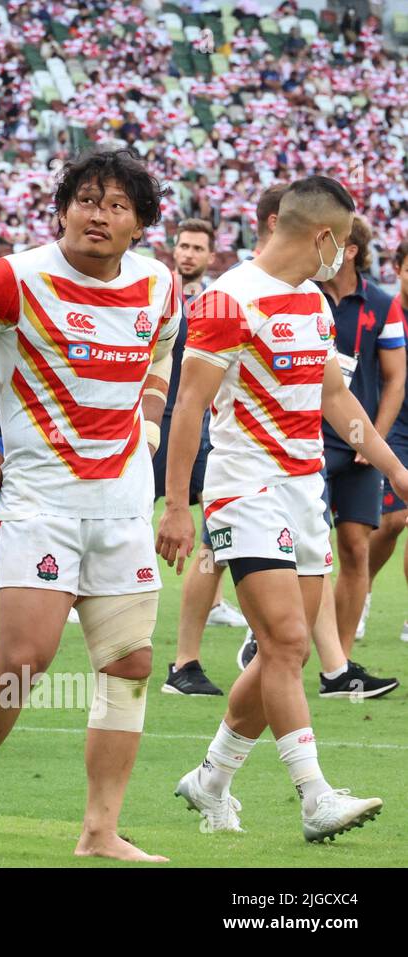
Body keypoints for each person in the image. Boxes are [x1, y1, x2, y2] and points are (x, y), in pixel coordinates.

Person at [0, 149, 180, 861]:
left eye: (118, 204)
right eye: (87, 199)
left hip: (124, 505)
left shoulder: (159, 283)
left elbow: (162, 351)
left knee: (130, 665)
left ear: (139, 223)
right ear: (62, 208)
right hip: (40, 502)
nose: (99, 214)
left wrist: (149, 423)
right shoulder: (16, 276)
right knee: (25, 657)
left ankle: (99, 830)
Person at [158, 176, 401, 842]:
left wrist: (396, 469)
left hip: (304, 496)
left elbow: (337, 402)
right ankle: (315, 796)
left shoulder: (314, 305)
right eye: (346, 241)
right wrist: (179, 505)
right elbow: (187, 408)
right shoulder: (228, 300)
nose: (348, 254)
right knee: (290, 642)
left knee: (276, 654)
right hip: (246, 492)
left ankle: (210, 778)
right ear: (325, 236)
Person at [156, 218, 247, 698]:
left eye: (197, 248)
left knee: (209, 525)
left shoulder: (217, 301)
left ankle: (211, 614)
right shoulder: (156, 292)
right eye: (183, 245)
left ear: (211, 257)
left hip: (202, 427)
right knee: (144, 508)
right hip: (156, 417)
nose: (188, 254)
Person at [317, 214, 405, 659]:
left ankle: (341, 662)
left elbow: (395, 378)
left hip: (359, 448)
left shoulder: (382, 303)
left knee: (354, 549)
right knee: (302, 552)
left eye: (329, 240)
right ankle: (273, 636)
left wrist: (376, 441)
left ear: (350, 250)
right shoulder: (302, 294)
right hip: (304, 442)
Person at [365, 239, 408, 640]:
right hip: (393, 427)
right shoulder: (387, 311)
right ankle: (362, 591)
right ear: (398, 269)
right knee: (392, 521)